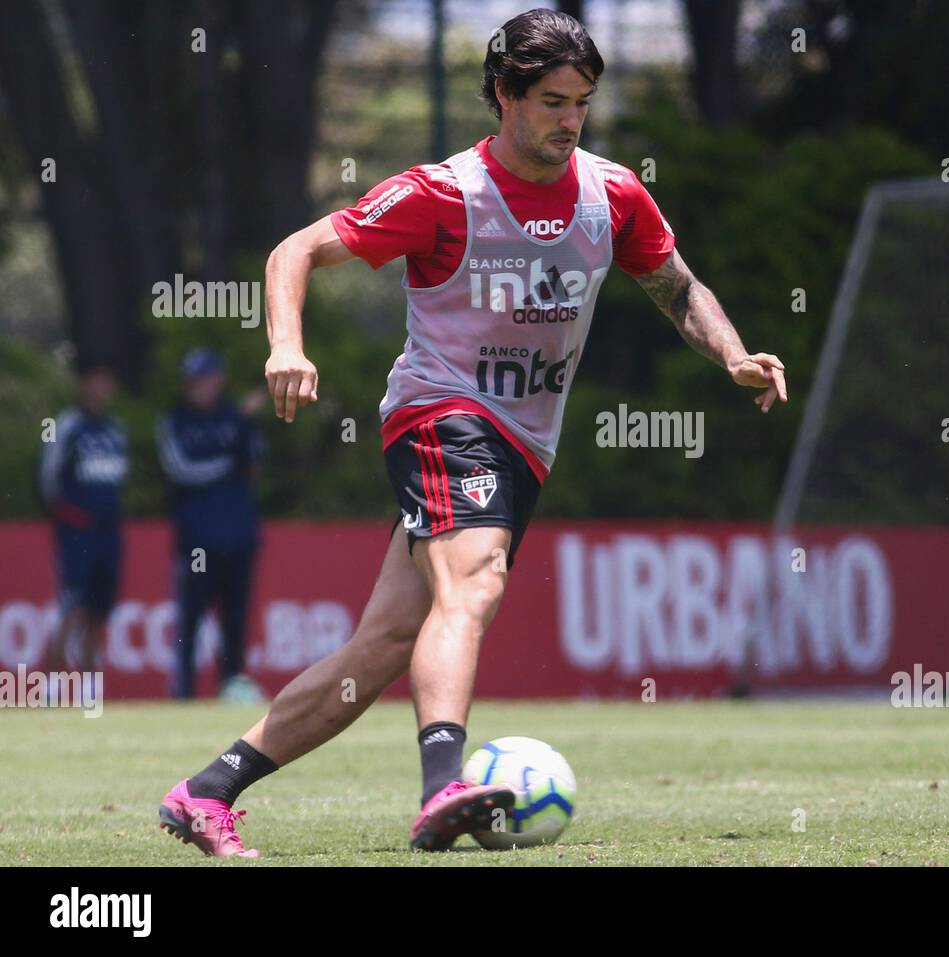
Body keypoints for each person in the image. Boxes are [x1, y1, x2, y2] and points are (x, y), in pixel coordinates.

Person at [158, 7, 787, 857]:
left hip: (525, 443)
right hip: (440, 415)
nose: (571, 121)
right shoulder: (442, 195)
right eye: (553, 102)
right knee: (477, 577)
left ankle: (206, 790)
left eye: (582, 103)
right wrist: (284, 344)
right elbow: (296, 250)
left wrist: (734, 353)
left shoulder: (613, 194)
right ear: (504, 96)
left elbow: (676, 287)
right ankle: (443, 786)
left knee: (379, 648)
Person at [156, 347, 266, 703]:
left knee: (235, 620)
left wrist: (243, 428)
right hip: (197, 540)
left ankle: (230, 688)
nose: (201, 387)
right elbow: (181, 470)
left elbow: (253, 466)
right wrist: (225, 464)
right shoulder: (174, 420)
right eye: (195, 381)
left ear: (218, 380)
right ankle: (183, 691)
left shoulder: (236, 416)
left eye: (207, 379)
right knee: (190, 619)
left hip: (238, 535)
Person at [38, 365, 128, 700]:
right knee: (72, 607)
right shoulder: (67, 425)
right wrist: (69, 517)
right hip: (76, 532)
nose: (102, 389)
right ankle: (49, 686)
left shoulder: (115, 429)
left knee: (97, 610)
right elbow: (48, 479)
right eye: (96, 382)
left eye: (107, 382)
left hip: (109, 533)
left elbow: (118, 480)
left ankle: (90, 687)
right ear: (84, 385)